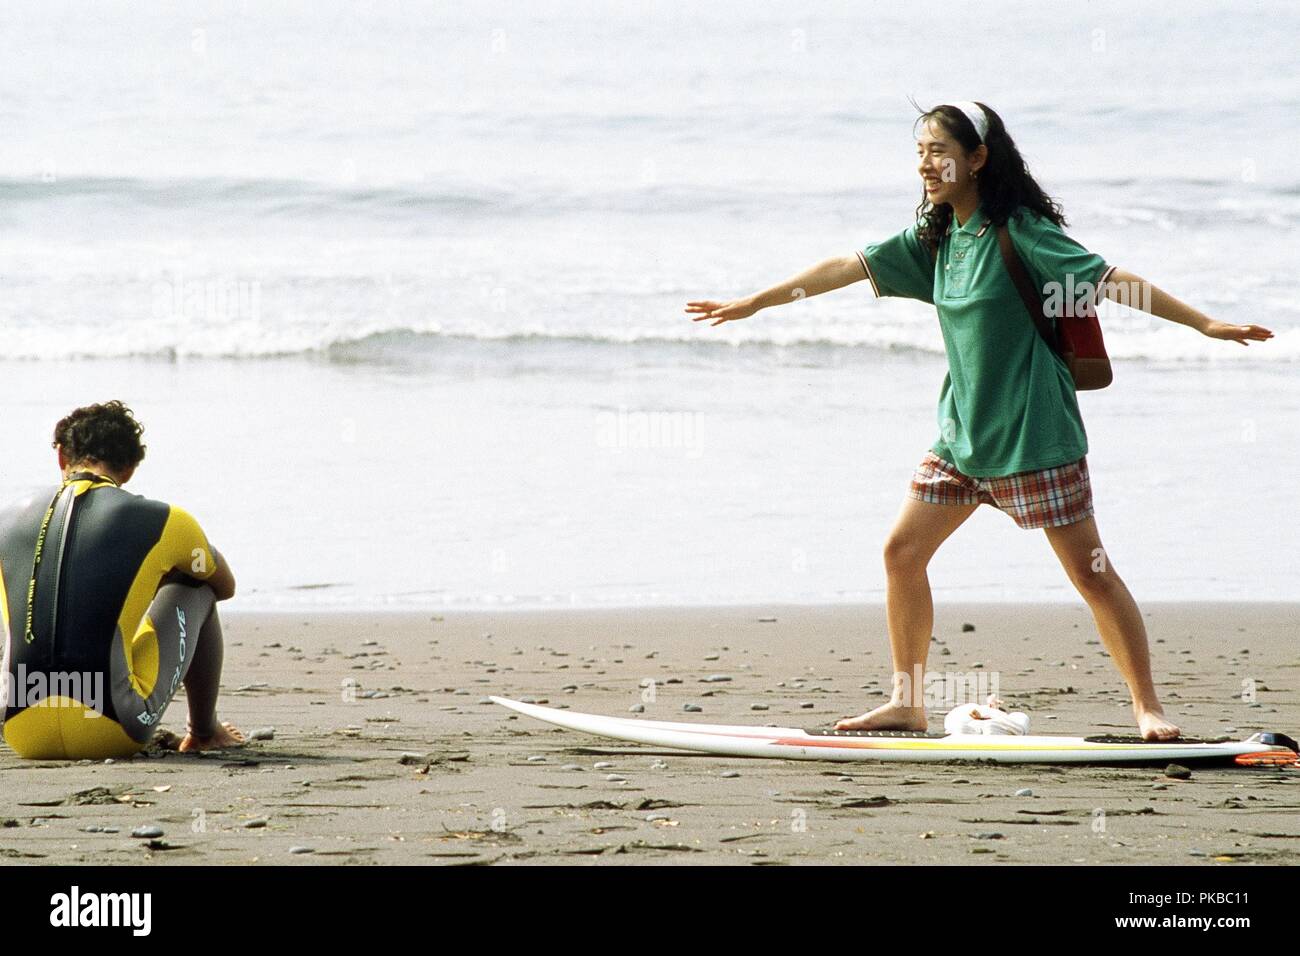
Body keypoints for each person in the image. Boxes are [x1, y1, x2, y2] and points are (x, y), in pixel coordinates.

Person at [685, 101, 1273, 742]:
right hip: (962, 437)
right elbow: (846, 267)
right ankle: (907, 703)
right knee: (902, 553)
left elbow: (1110, 281)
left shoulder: (1021, 233)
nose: (926, 165)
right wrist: (756, 302)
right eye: (920, 153)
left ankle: (1148, 707)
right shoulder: (936, 240)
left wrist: (1205, 324)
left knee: (1092, 574)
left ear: (978, 158)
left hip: (1034, 435)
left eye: (939, 151)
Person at [0, 400, 244, 758]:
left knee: (15, 604)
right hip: (113, 727)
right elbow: (224, 585)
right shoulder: (165, 520)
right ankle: (204, 731)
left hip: (22, 730)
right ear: (129, 468)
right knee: (196, 588)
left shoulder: (6, 518)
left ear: (61, 457)